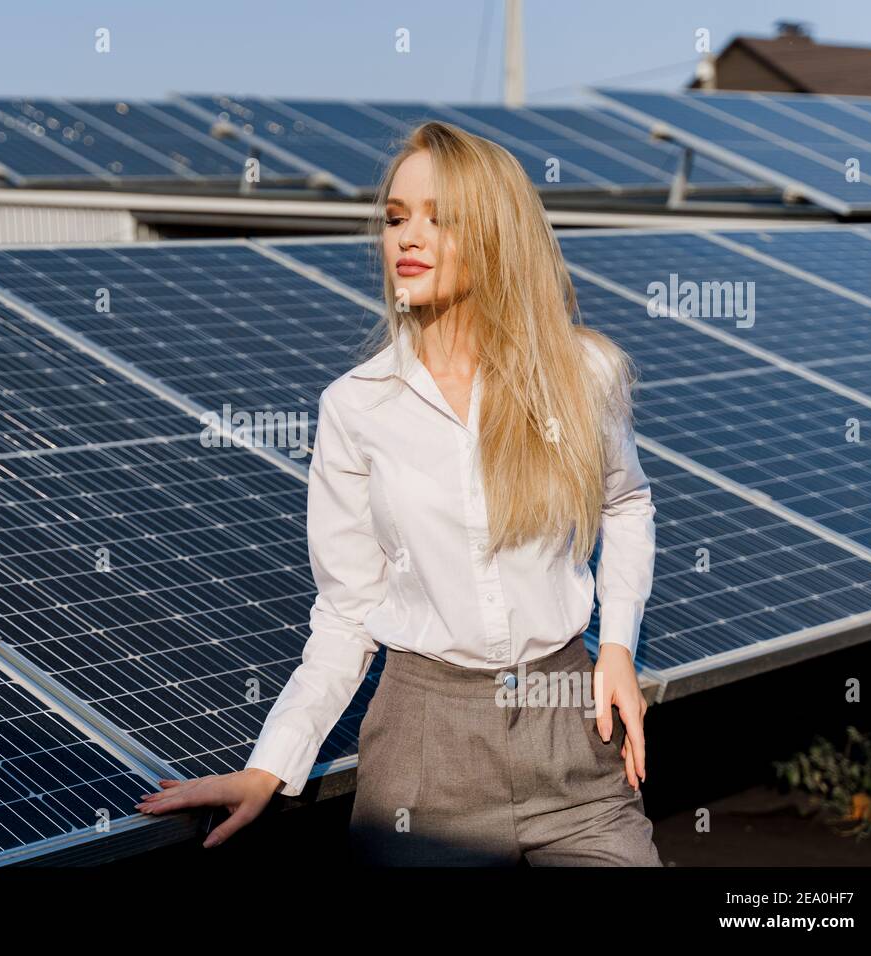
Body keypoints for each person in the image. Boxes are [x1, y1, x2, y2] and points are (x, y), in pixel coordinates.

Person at [134, 120, 661, 866]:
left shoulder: (582, 375)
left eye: (440, 217)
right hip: (425, 752)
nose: (407, 237)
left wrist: (616, 649)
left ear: (498, 235)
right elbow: (348, 612)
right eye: (394, 217)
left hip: (572, 732)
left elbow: (627, 503)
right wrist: (271, 765)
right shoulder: (357, 407)